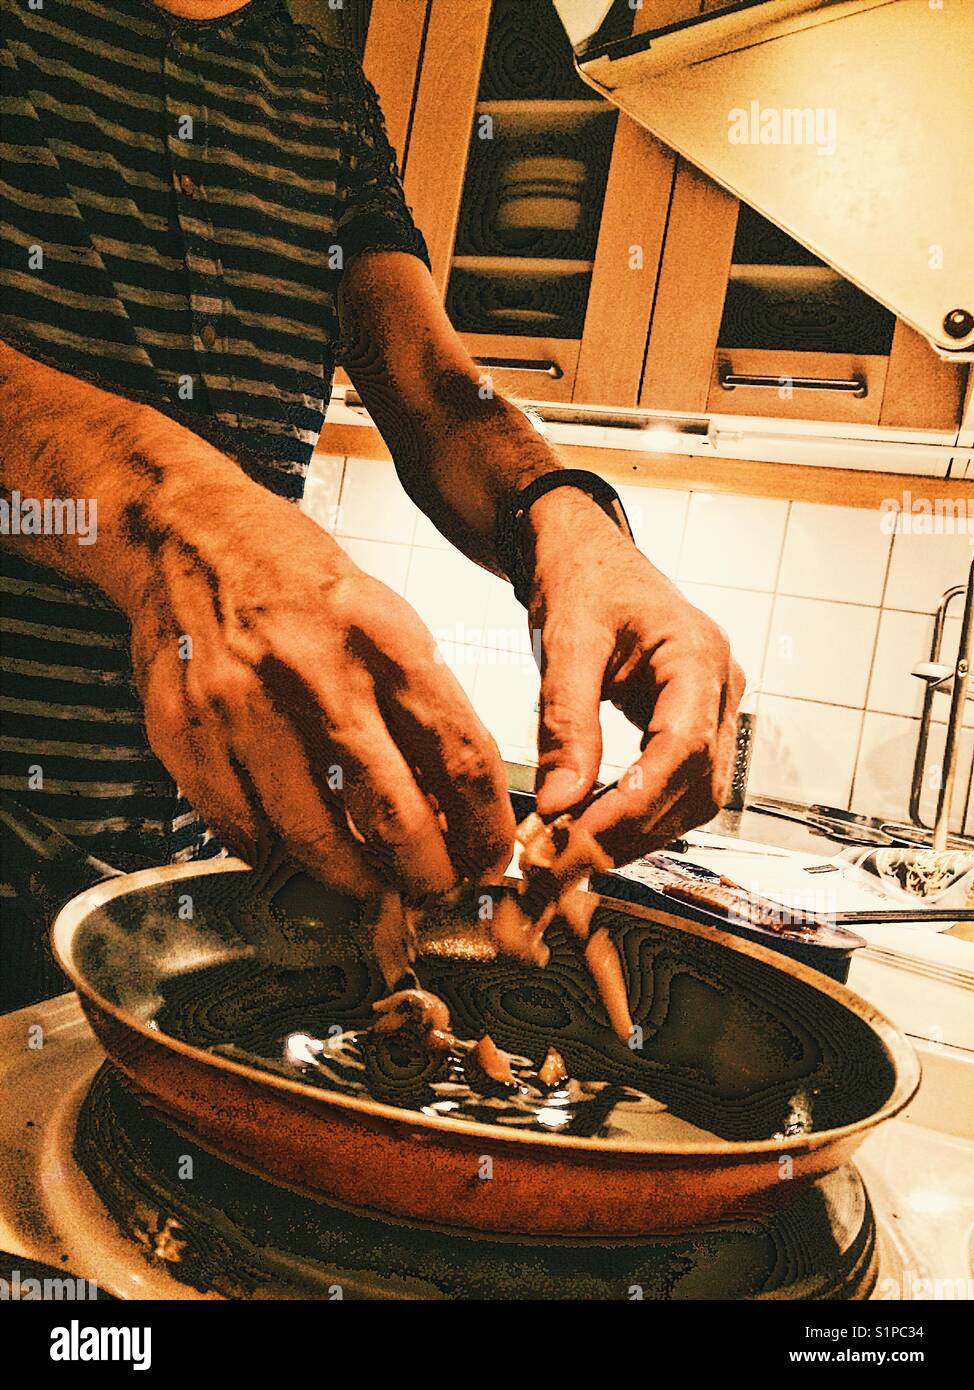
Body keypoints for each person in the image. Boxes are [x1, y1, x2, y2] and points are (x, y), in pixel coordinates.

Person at [0, 0, 743, 1009]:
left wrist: (564, 517)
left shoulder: (323, 98)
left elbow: (437, 394)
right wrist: (170, 507)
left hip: (181, 890)